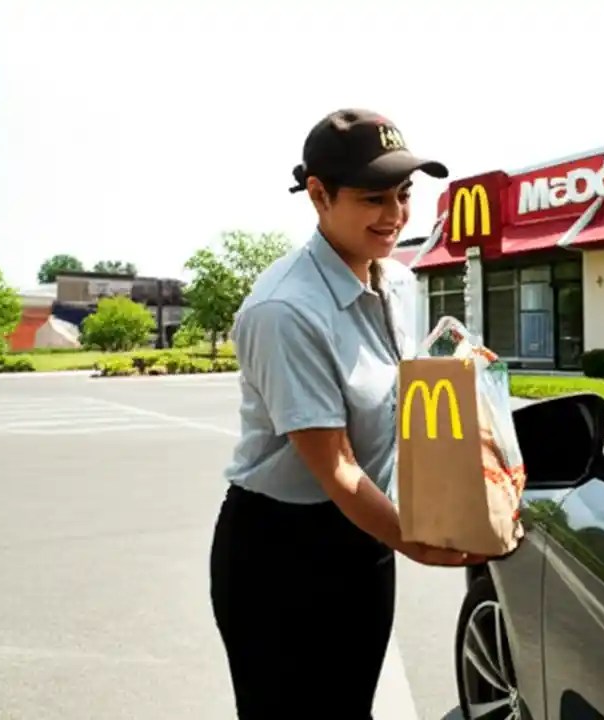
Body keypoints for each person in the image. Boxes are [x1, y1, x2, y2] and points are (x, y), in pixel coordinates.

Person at [209, 108, 484, 720]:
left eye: (404, 195)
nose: (394, 216)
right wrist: (419, 542)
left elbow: (406, 409)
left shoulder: (398, 283)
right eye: (373, 198)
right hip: (278, 553)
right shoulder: (284, 310)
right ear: (319, 195)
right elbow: (334, 467)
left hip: (363, 535)